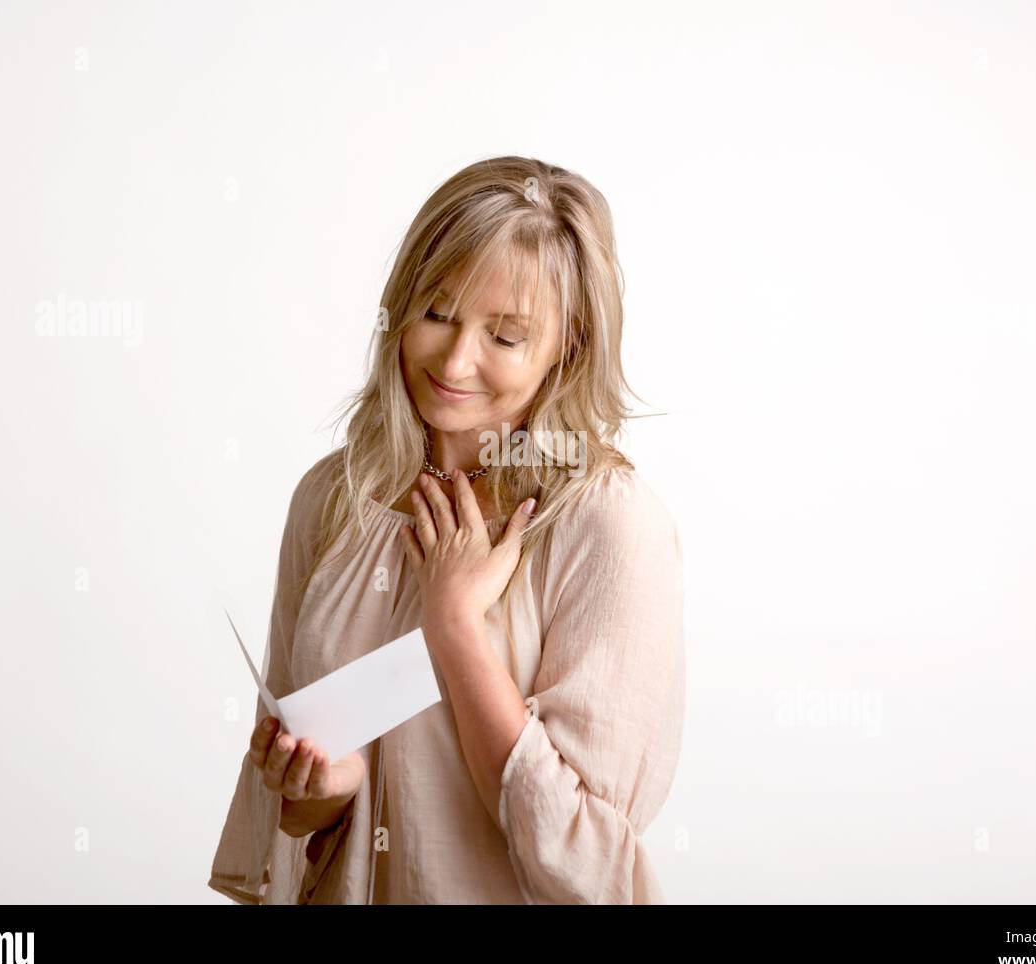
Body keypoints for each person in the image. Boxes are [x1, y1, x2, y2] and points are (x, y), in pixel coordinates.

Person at [208, 155, 685, 904]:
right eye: (437, 312)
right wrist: (324, 788)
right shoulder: (334, 500)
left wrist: (455, 623)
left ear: (570, 343)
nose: (456, 359)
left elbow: (588, 867)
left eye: (505, 335)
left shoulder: (609, 527)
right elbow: (297, 824)